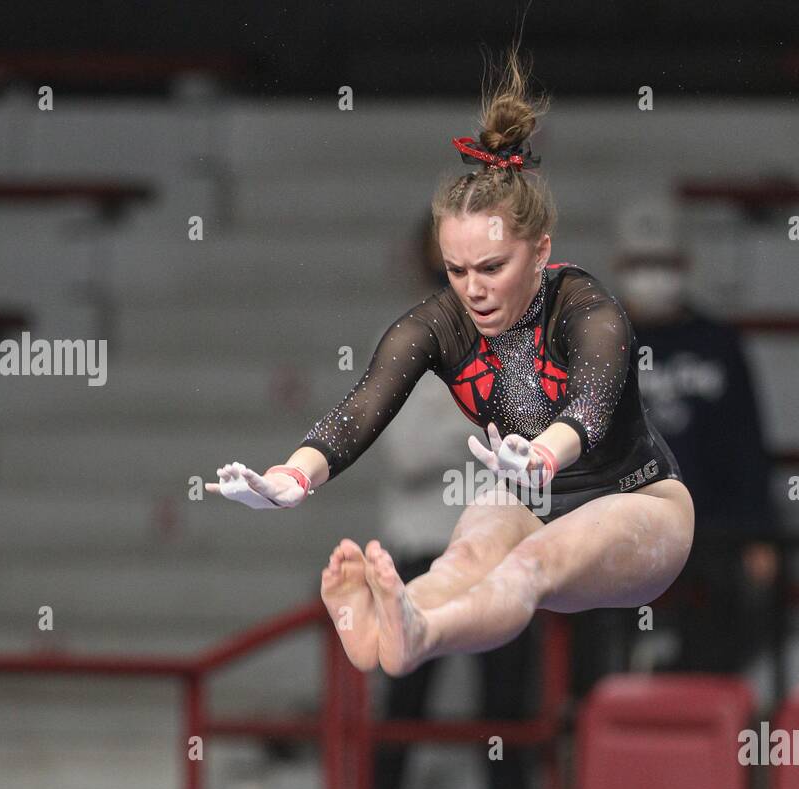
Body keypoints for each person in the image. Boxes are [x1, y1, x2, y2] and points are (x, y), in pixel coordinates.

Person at [208, 48, 694, 680]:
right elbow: (362, 408)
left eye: (493, 267)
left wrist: (543, 455)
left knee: (529, 565)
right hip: (532, 498)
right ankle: (397, 624)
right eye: (457, 270)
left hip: (638, 506)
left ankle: (424, 631)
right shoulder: (437, 325)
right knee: (461, 559)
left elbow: (592, 408)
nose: (474, 289)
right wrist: (292, 478)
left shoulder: (587, 308)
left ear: (540, 249)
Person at [373, 214, 538, 789]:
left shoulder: (520, 338)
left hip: (498, 548)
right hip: (419, 547)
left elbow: (536, 437)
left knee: (505, 704)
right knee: (404, 699)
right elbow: (404, 451)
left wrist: (467, 416)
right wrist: (482, 420)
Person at [613, 199, 779, 673]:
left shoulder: (718, 343)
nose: (652, 276)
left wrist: (758, 534)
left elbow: (748, 441)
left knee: (706, 666)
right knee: (621, 672)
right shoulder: (598, 342)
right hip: (620, 536)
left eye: (662, 264)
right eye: (641, 265)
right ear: (620, 268)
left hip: (712, 535)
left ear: (684, 266)